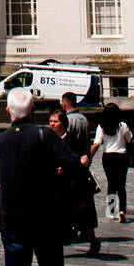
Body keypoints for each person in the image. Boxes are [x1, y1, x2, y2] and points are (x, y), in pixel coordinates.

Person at [0, 87, 79, 266]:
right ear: (34, 111)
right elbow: (73, 164)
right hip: (46, 221)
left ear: (8, 112)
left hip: (12, 221)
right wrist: (55, 181)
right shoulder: (46, 136)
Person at [49, 107, 100, 256]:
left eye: (55, 121)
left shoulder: (70, 139)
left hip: (75, 185)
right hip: (59, 186)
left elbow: (78, 161)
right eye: (50, 121)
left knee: (84, 217)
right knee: (59, 217)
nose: (52, 124)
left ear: (63, 123)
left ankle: (93, 241)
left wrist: (63, 168)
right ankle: (58, 245)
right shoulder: (50, 140)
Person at [89, 102, 133, 223]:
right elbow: (130, 139)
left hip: (108, 157)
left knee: (111, 184)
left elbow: (97, 143)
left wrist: (90, 157)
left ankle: (112, 212)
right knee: (121, 184)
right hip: (122, 156)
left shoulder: (101, 126)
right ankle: (122, 211)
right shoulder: (122, 125)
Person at [61, 92, 90, 157]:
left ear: (64, 104)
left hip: (72, 157)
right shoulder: (84, 118)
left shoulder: (67, 119)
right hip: (84, 157)